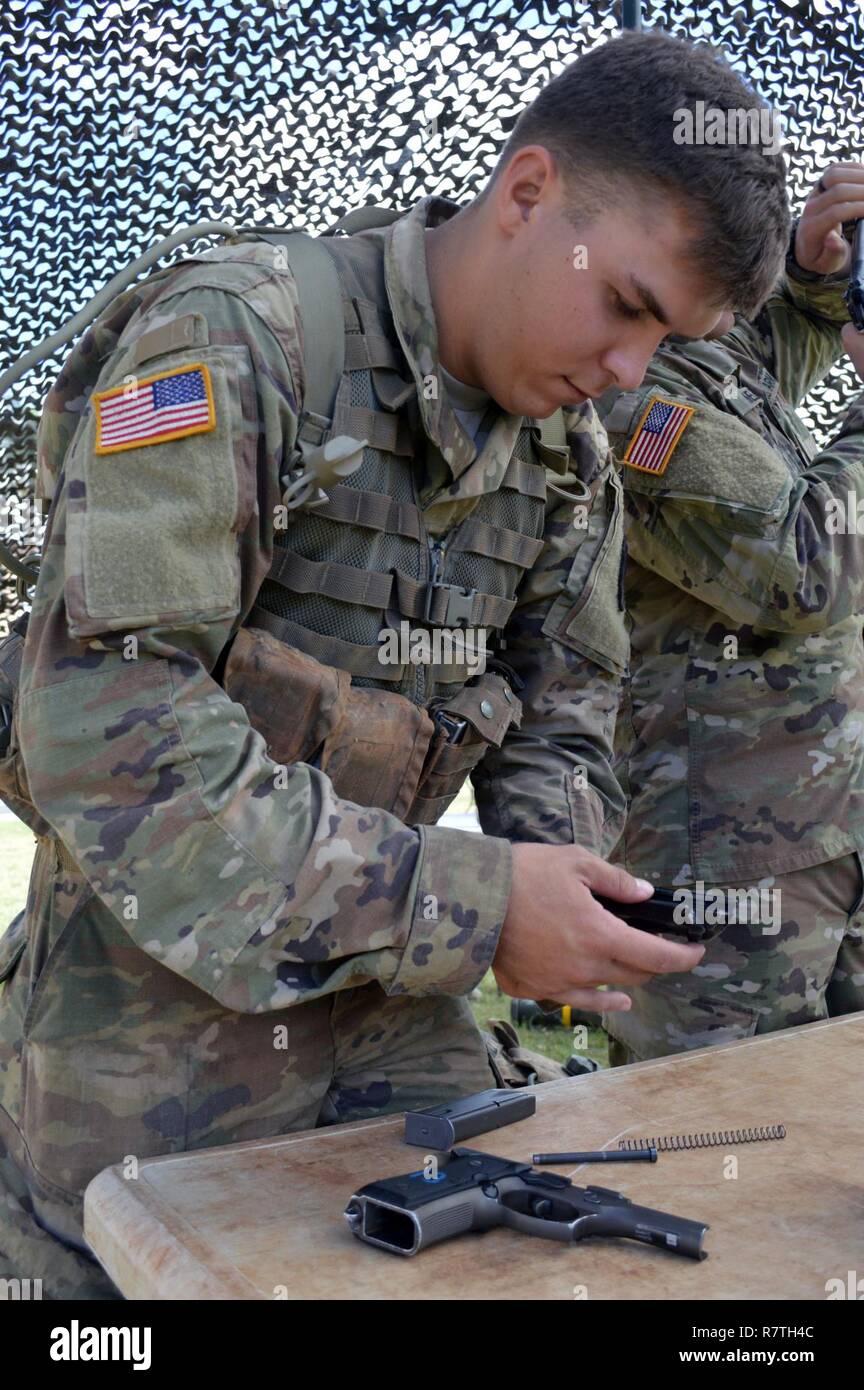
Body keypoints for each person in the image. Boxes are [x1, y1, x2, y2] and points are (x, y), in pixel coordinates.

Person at [0, 29, 788, 1298]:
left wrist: (568, 882)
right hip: (146, 1054)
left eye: (670, 345)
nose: (628, 372)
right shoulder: (241, 348)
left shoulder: (573, 465)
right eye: (630, 305)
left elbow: (564, 713)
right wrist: (475, 904)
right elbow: (108, 742)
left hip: (393, 1030)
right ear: (528, 194)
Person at [595, 161, 864, 1066]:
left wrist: (816, 277)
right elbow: (799, 569)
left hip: (832, 829)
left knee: (838, 1142)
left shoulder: (702, 343)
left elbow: (752, 369)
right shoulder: (620, 388)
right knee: (708, 1143)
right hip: (731, 864)